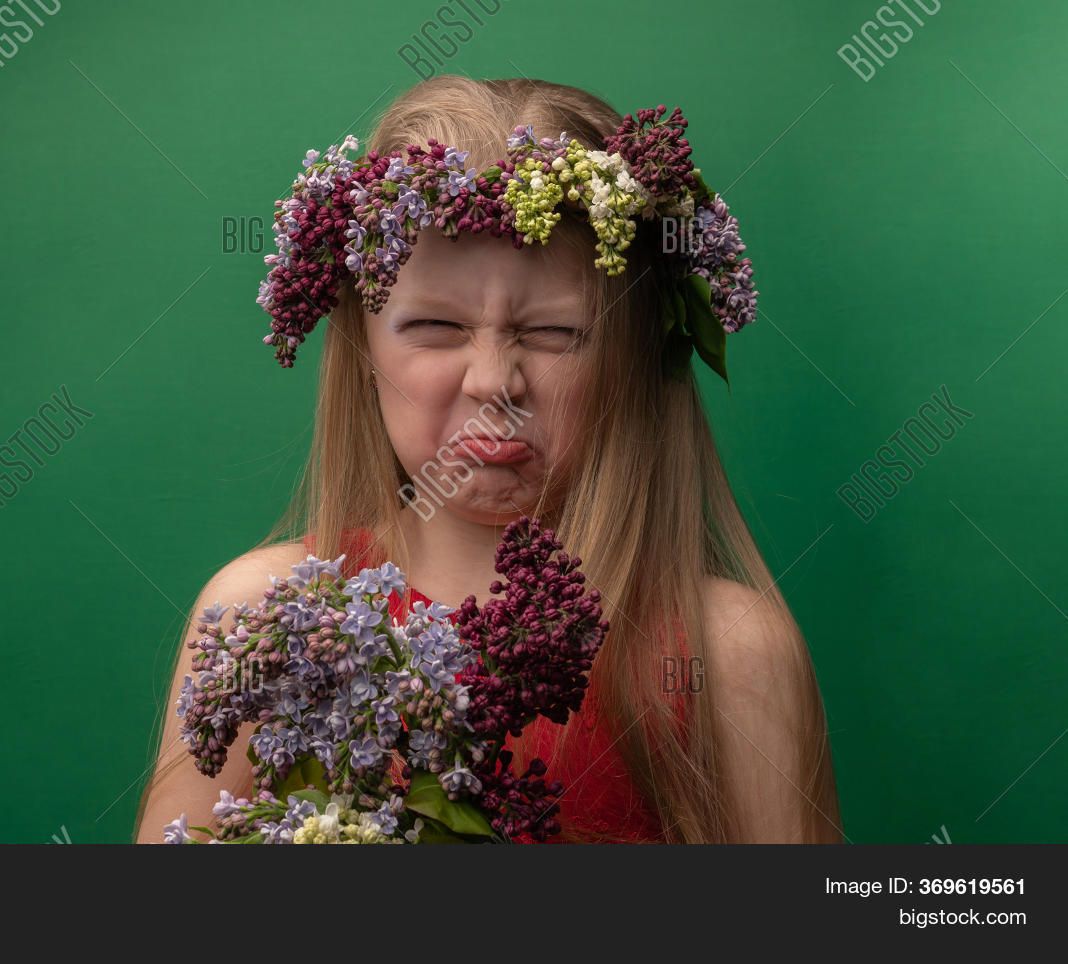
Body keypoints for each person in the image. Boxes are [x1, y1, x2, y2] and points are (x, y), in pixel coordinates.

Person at [133, 74, 843, 844]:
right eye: (435, 327)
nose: (494, 382)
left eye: (555, 334)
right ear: (361, 349)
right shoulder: (264, 623)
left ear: (633, 357)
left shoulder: (725, 653)